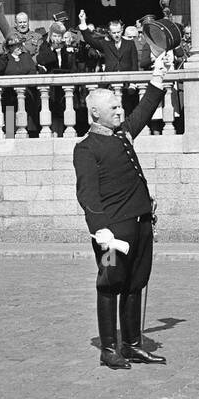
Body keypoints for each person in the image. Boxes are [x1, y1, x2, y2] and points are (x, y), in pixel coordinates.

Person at [73, 45, 170, 371]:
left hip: (140, 224)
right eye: (113, 107)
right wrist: (100, 231)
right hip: (112, 232)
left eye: (119, 105)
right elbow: (87, 193)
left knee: (135, 283)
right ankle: (109, 349)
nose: (120, 110)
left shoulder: (123, 135)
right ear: (96, 113)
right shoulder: (86, 148)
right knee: (110, 283)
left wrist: (157, 78)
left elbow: (142, 110)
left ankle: (132, 345)